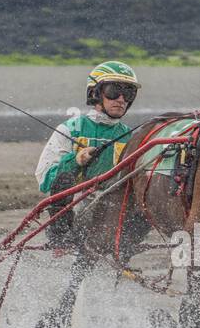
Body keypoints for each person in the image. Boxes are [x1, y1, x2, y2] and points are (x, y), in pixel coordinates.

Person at [34, 60, 139, 241]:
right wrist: (76, 161)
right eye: (114, 91)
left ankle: (122, 250)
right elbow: (44, 179)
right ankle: (63, 239)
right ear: (95, 93)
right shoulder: (70, 129)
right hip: (75, 209)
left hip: (113, 212)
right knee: (64, 179)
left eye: (128, 93)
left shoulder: (131, 138)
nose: (121, 99)